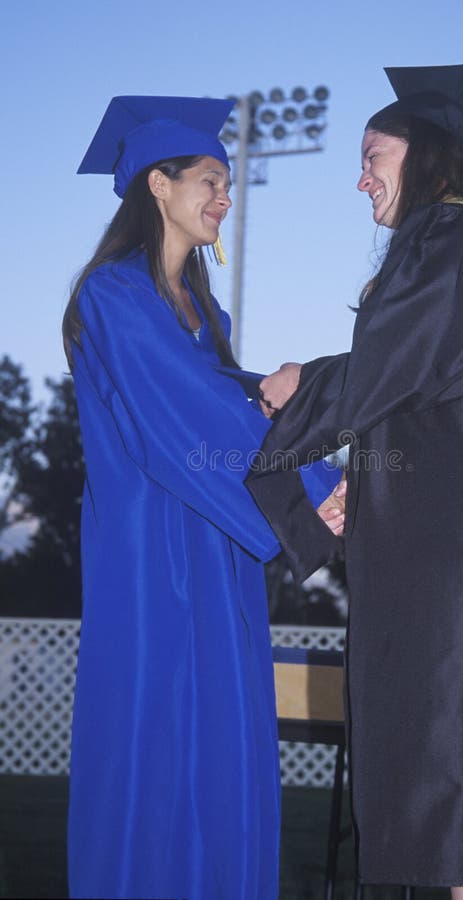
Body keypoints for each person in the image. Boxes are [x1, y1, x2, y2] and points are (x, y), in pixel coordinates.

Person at [247, 66, 463, 899]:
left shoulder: (452, 236)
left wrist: (303, 390)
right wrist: (355, 484)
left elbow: (393, 367)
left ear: (429, 152)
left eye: (374, 153)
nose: (360, 175)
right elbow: (431, 401)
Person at [62, 95, 343, 900]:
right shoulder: (111, 296)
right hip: (153, 560)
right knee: (158, 737)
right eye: (212, 180)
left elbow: (228, 396)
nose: (225, 197)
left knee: (222, 738)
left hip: (216, 552)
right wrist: (319, 486)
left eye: (228, 183)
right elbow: (185, 418)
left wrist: (304, 403)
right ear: (158, 182)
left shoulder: (202, 309)